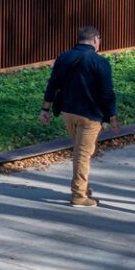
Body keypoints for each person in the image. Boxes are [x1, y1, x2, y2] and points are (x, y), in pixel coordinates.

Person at [40, 25, 119, 207]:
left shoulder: (63, 57)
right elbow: (107, 93)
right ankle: (78, 195)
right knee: (83, 154)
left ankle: (84, 187)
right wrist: (112, 116)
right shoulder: (100, 62)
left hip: (68, 112)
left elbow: (53, 84)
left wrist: (45, 109)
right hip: (90, 116)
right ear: (96, 40)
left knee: (82, 151)